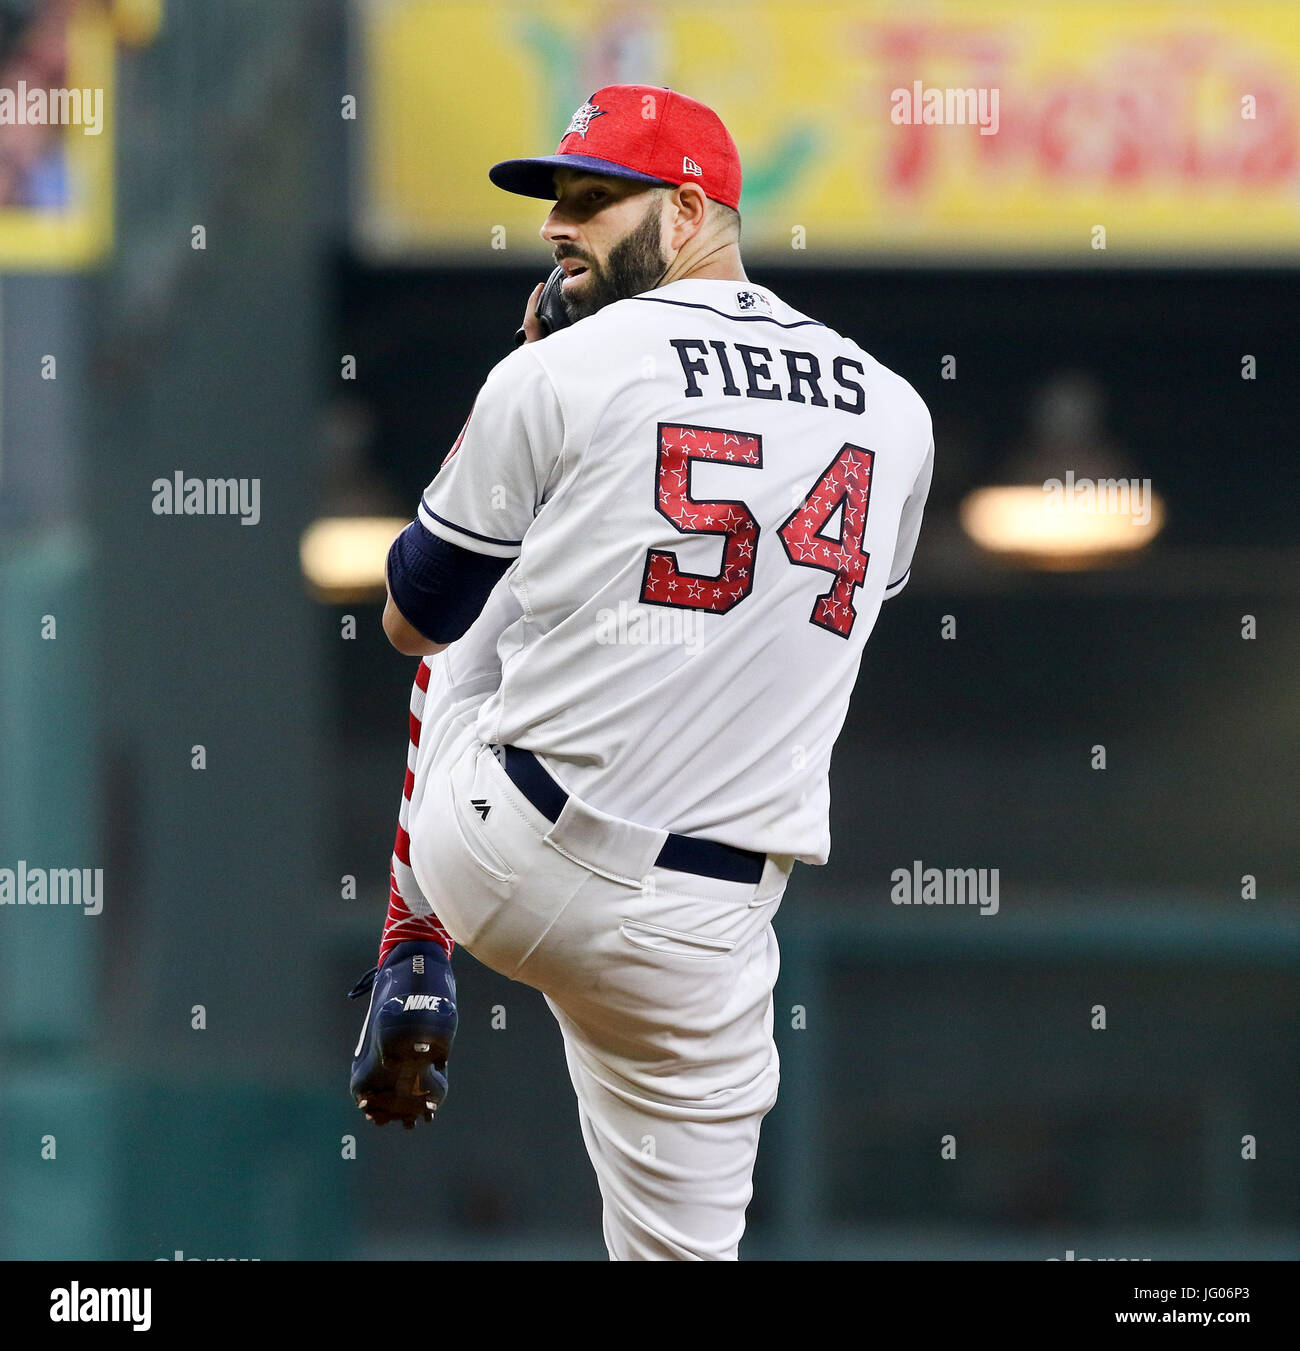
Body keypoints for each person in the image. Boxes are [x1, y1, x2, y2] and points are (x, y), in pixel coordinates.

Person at [348, 84, 934, 1261]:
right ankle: (416, 939)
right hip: (705, 926)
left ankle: (412, 948)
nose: (560, 226)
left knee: (486, 575)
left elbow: (413, 620)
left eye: (593, 199)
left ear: (687, 207)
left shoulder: (557, 367)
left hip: (509, 856)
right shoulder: (898, 409)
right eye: (556, 200)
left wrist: (507, 386)